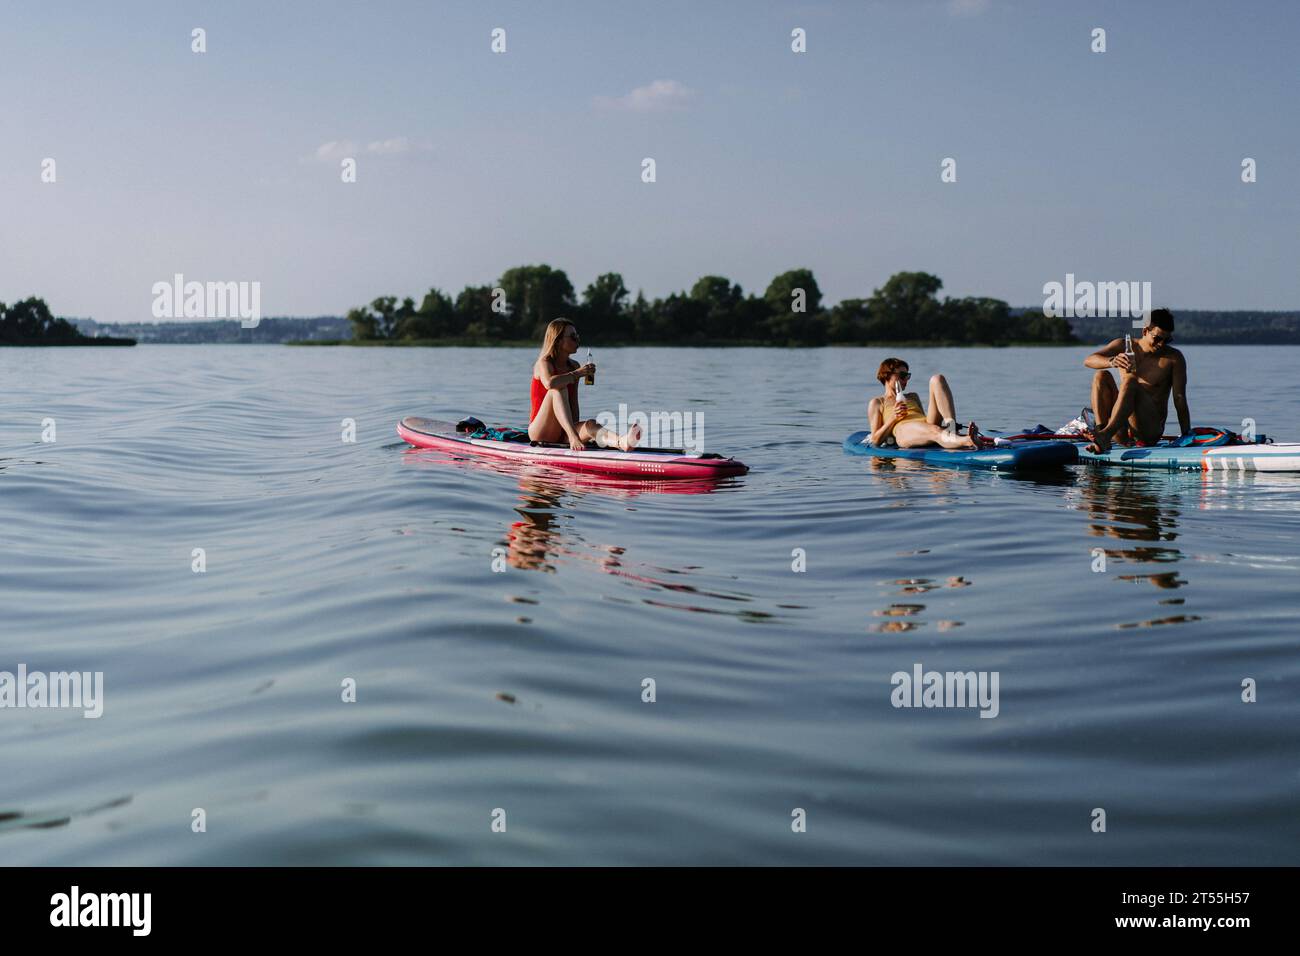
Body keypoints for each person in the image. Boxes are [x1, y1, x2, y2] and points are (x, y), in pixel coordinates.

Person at [1083, 309, 1189, 453]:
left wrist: (1187, 435)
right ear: (1145, 331)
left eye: (1167, 340)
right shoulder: (1124, 345)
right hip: (1121, 431)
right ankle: (1102, 434)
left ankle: (1104, 437)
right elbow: (1089, 360)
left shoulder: (1174, 358)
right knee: (1100, 376)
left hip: (1148, 432)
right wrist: (1112, 361)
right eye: (1157, 338)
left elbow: (1179, 398)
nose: (1161, 344)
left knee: (1130, 381)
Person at [529, 319, 641, 452]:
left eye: (577, 336)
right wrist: (577, 374)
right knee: (558, 390)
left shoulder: (573, 366)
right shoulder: (544, 363)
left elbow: (573, 402)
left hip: (564, 430)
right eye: (572, 336)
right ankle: (572, 436)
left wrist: (580, 430)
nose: (577, 340)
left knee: (590, 425)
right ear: (558, 341)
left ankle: (621, 442)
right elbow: (550, 383)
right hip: (540, 432)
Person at [867, 358, 988, 449]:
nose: (906, 380)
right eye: (902, 376)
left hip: (923, 425)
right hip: (903, 430)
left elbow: (926, 423)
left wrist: (943, 428)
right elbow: (875, 440)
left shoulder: (913, 396)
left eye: (908, 376)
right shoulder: (878, 402)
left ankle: (952, 428)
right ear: (887, 375)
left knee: (937, 379)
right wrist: (894, 417)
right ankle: (968, 441)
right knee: (934, 431)